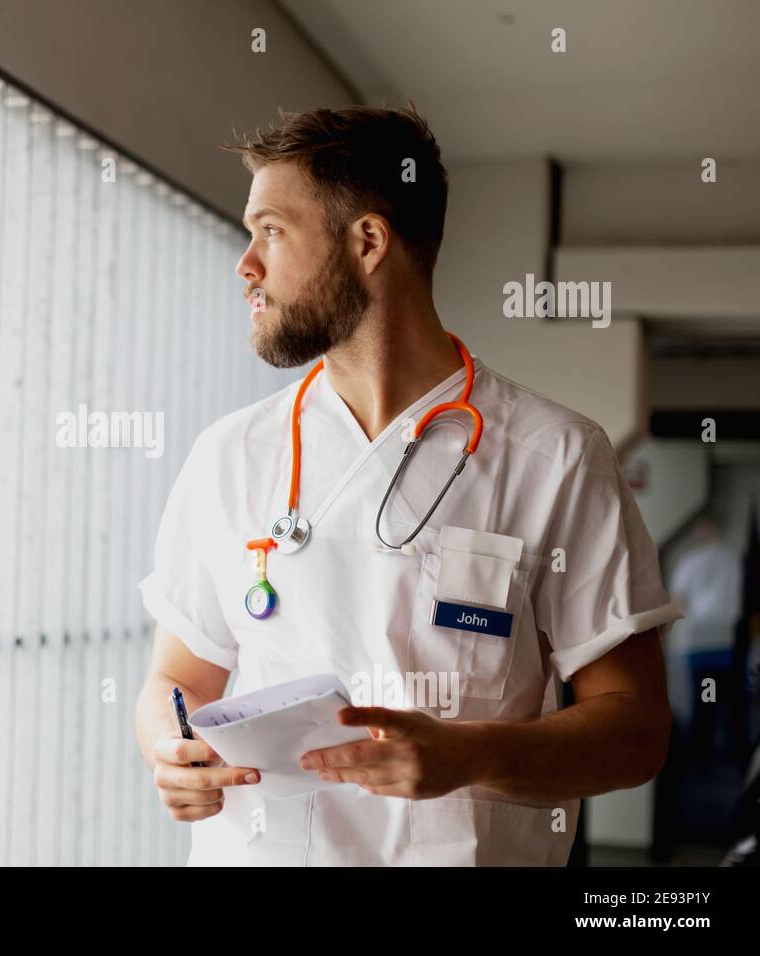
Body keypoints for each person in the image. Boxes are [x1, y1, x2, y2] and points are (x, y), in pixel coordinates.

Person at [133, 106, 683, 866]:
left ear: (367, 241)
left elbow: (635, 732)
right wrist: (172, 747)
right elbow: (177, 676)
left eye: (271, 231)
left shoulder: (555, 456)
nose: (245, 265)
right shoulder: (229, 454)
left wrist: (474, 755)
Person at [666, 515, 742, 761]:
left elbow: (679, 598)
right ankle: (725, 749)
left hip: (702, 637)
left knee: (705, 696)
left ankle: (704, 751)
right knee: (721, 696)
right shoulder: (732, 559)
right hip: (725, 635)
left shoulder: (691, 561)